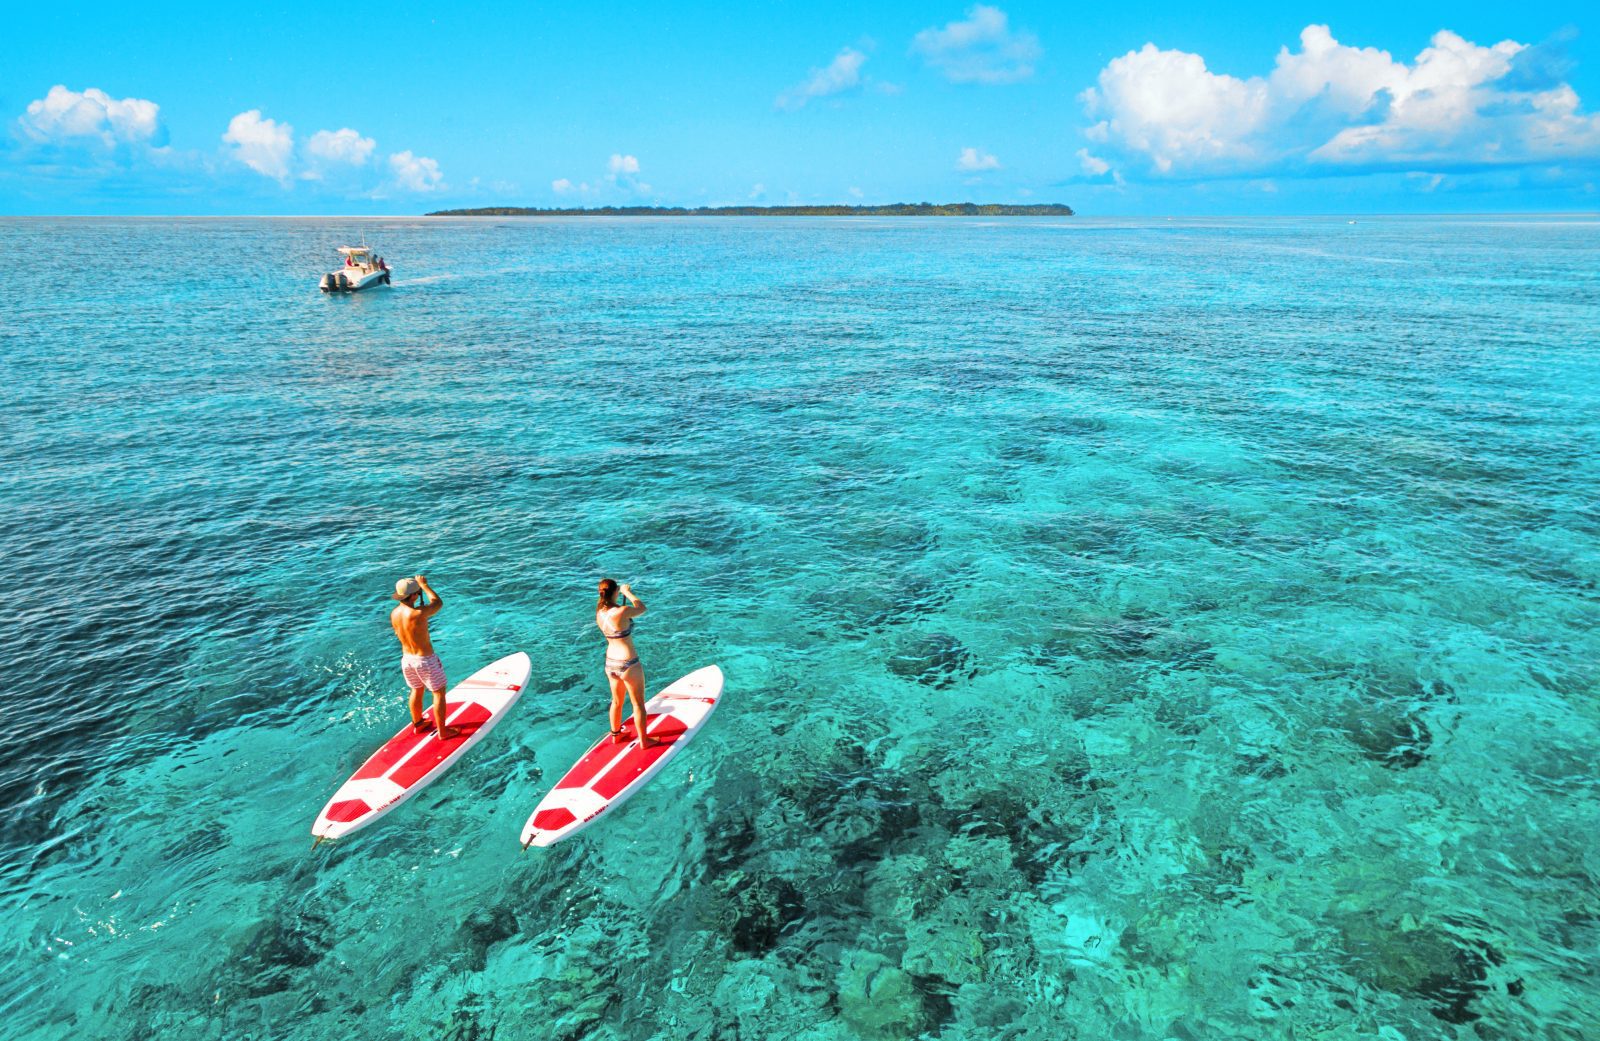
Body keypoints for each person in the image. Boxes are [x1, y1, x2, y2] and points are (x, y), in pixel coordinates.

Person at [391, 575, 458, 740]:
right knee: (439, 693)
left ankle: (418, 723)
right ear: (414, 595)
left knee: (416, 689)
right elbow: (438, 603)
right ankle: (443, 732)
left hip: (407, 659)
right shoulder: (418, 613)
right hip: (425, 660)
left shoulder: (394, 614)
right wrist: (424, 585)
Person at [596, 578, 655, 748]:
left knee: (616, 702)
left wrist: (620, 592)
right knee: (638, 704)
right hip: (628, 662)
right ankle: (644, 741)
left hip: (610, 663)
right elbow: (642, 608)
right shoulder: (622, 611)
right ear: (615, 592)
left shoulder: (599, 613)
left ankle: (616, 735)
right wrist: (627, 592)